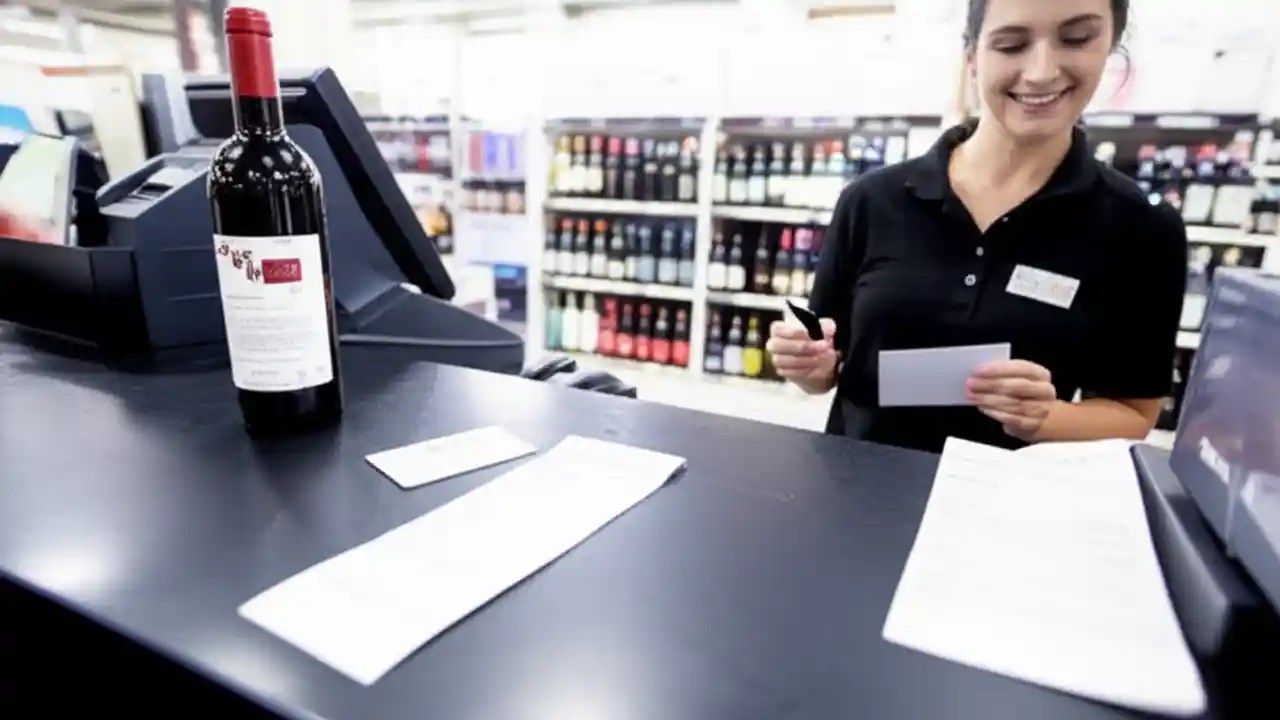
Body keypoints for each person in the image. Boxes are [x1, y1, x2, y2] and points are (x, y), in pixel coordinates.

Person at [768, 0, 1187, 453]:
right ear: (972, 57)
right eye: (1011, 44)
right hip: (858, 490)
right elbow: (828, 364)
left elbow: (1133, 414)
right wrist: (808, 366)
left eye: (1076, 39)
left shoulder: (1142, 227)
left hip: (1008, 507)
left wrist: (1049, 418)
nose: (1041, 71)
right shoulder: (872, 200)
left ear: (1110, 47)